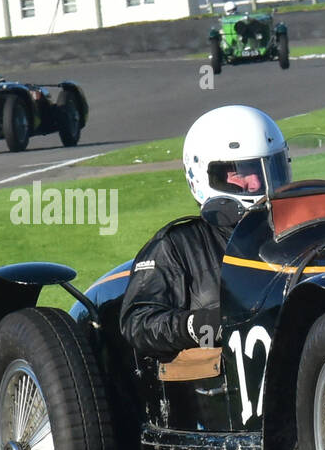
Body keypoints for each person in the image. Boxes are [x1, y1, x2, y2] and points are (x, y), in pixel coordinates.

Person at [120, 106, 290, 360]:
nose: (257, 183)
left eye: (267, 168)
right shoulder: (177, 246)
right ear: (204, 175)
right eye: (240, 172)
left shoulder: (300, 228)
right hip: (217, 382)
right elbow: (139, 322)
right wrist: (200, 325)